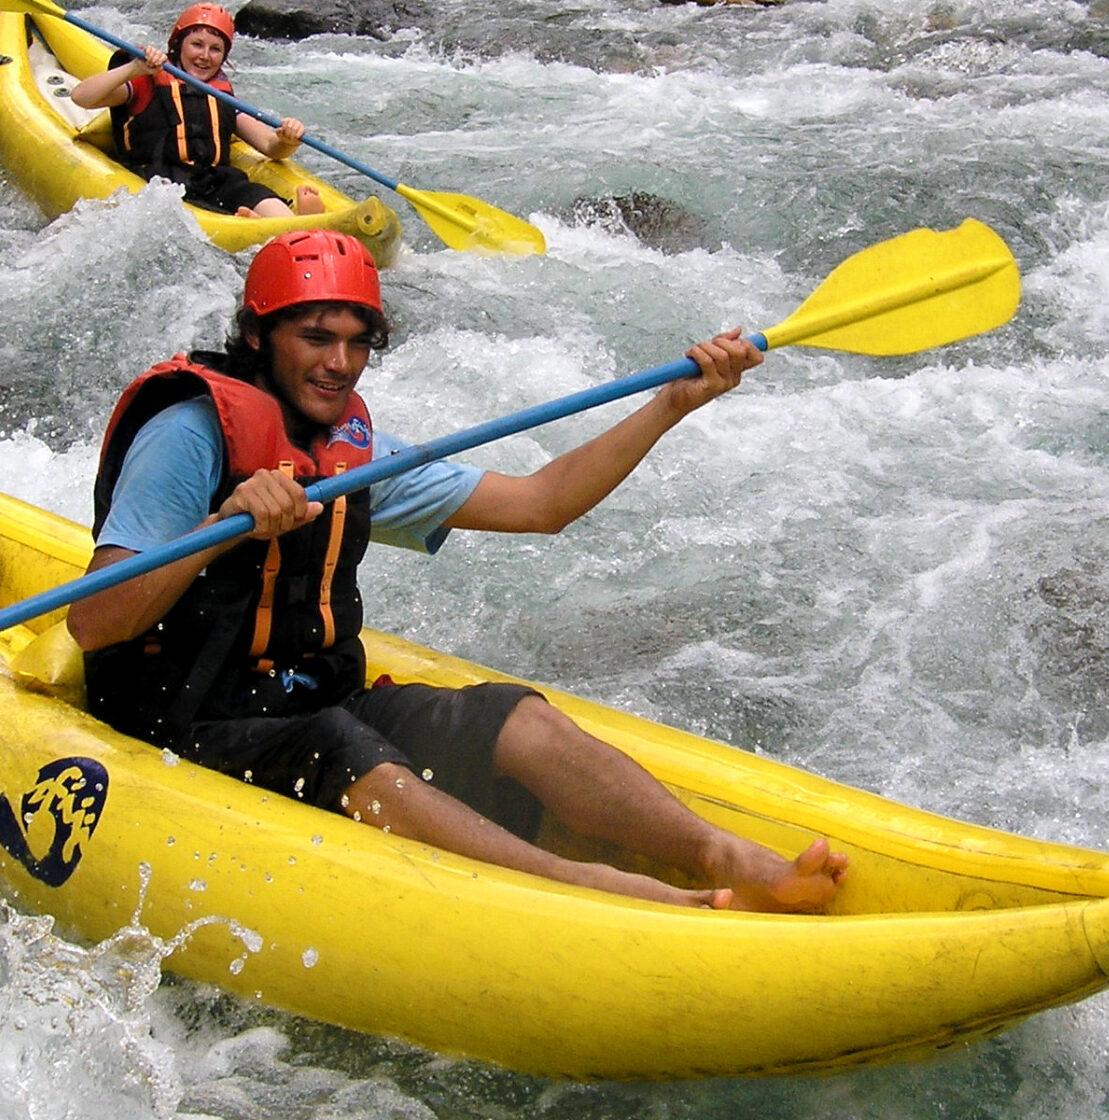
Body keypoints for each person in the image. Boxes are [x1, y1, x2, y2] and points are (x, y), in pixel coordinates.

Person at [66, 230, 849, 913]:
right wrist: (219, 527)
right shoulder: (189, 436)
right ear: (258, 335)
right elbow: (95, 622)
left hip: (310, 699)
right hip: (182, 717)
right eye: (315, 337)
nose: (340, 363)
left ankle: (723, 855)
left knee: (519, 717)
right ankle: (585, 887)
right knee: (338, 746)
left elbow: (542, 503)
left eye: (358, 342)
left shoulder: (351, 451)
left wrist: (674, 403)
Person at [68, 3, 324, 219]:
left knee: (266, 202)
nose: (205, 56)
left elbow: (270, 146)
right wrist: (134, 69)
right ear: (179, 45)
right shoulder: (146, 81)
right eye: (197, 45)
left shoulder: (221, 95)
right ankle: (251, 225)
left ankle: (291, 224)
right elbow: (82, 97)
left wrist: (287, 140)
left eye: (215, 49)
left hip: (215, 181)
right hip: (160, 183)